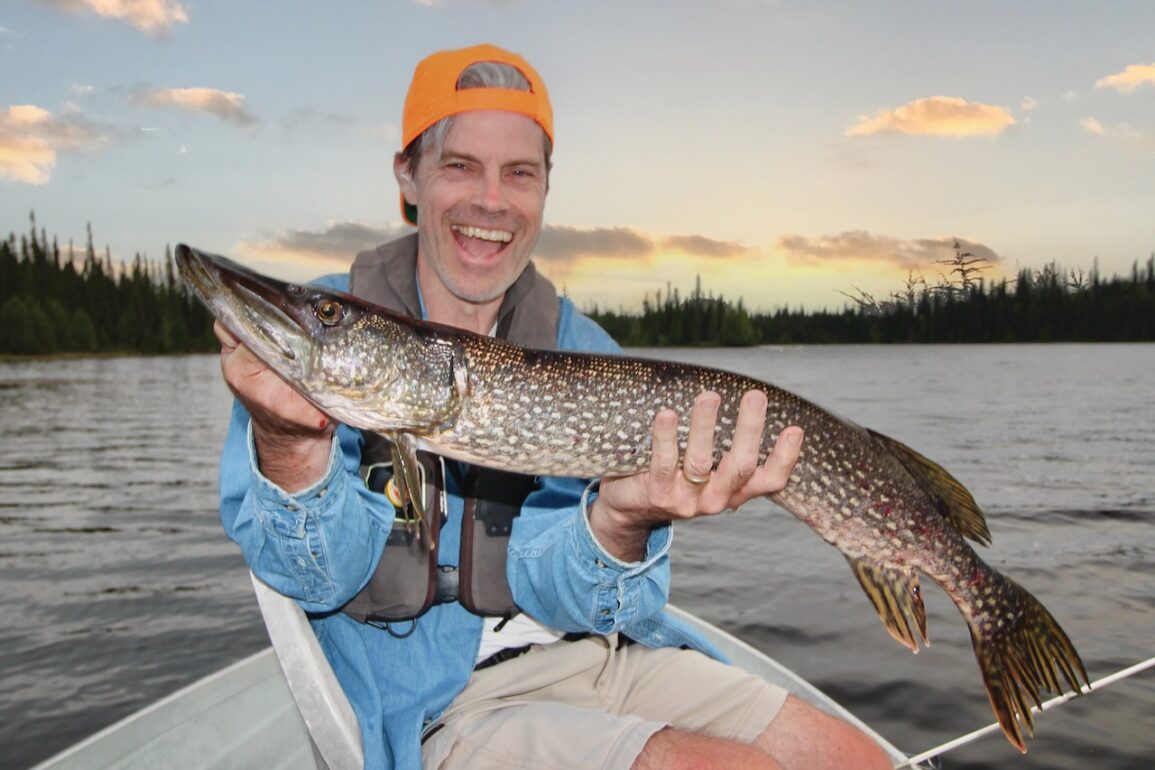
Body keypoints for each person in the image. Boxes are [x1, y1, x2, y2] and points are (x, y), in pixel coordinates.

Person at [213, 43, 893, 770]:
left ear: (543, 191)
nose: (491, 201)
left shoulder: (584, 348)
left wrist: (621, 521)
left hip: (607, 658)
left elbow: (606, 606)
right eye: (459, 165)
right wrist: (289, 447)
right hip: (447, 701)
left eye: (519, 174)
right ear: (407, 177)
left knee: (856, 760)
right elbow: (311, 581)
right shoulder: (329, 346)